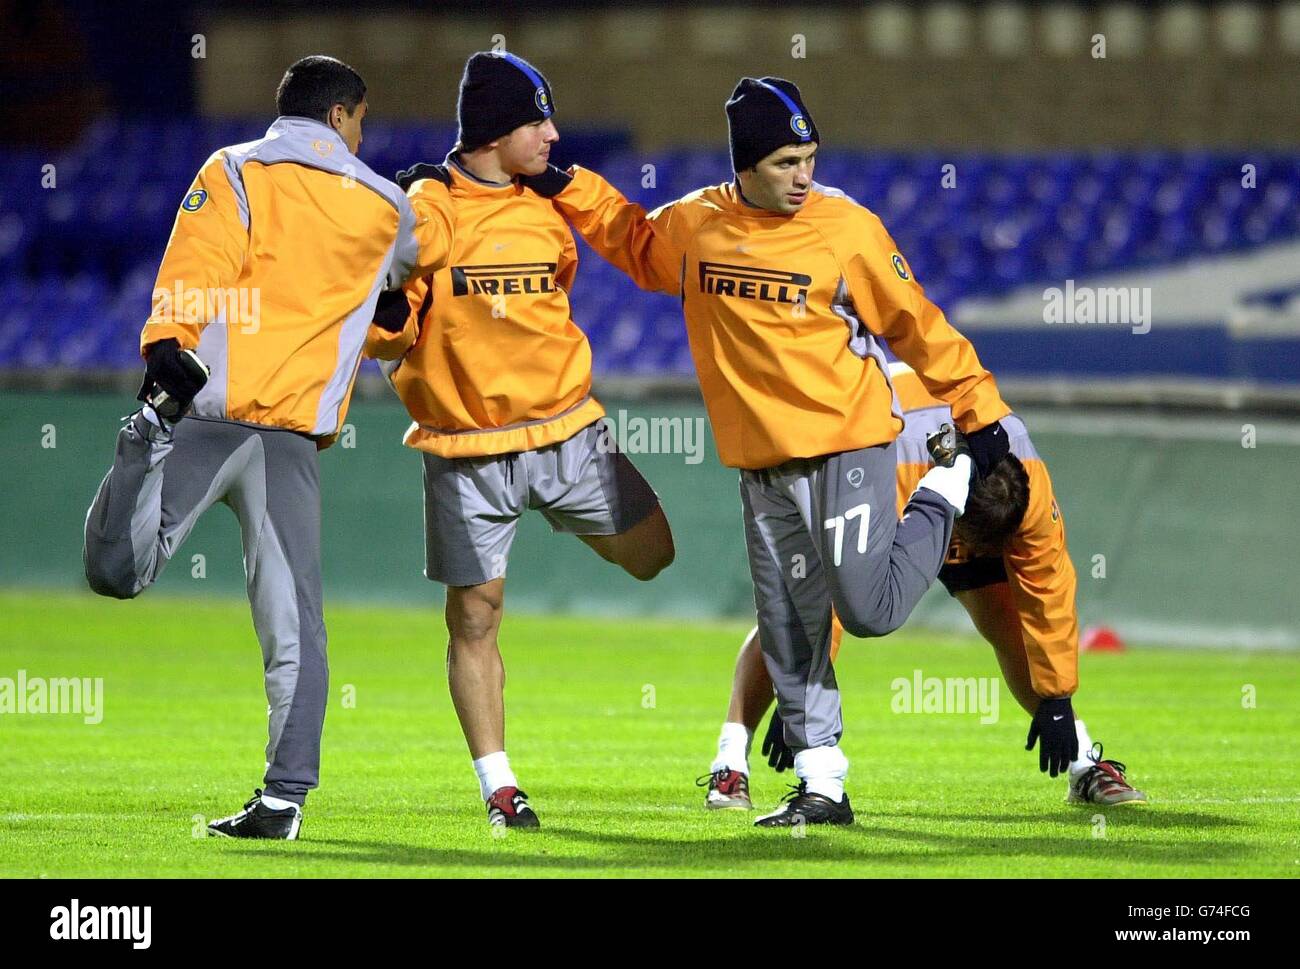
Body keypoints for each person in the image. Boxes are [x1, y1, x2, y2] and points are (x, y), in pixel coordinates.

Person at [526, 77, 1013, 826]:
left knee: (870, 607)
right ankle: (825, 785)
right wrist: (563, 181)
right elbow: (628, 237)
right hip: (760, 464)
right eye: (786, 161)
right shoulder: (696, 225)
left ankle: (944, 483)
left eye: (809, 158)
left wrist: (979, 415)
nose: (803, 176)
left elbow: (917, 324)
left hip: (848, 444)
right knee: (790, 624)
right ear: (745, 165)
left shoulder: (847, 228)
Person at [82, 55, 456, 840]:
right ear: (341, 116)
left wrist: (165, 348)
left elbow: (195, 271)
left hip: (207, 416)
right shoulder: (387, 206)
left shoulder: (234, 170)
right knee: (296, 626)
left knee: (119, 571)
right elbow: (393, 328)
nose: (361, 132)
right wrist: (414, 254)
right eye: (360, 120)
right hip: (288, 443)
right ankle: (283, 801)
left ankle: (144, 431)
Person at [365, 51, 675, 829]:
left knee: (654, 553)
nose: (553, 132)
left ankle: (552, 513)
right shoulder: (428, 208)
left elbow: (561, 293)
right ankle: (501, 785)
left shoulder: (548, 207)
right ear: (497, 130)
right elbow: (385, 328)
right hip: (467, 450)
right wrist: (394, 311)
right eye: (537, 119)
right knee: (475, 619)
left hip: (569, 434)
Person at [700, 362, 1146, 811]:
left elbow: (1048, 594)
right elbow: (828, 597)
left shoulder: (1026, 484)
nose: (959, 552)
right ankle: (731, 761)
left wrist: (1057, 697)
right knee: (797, 612)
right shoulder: (888, 460)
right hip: (870, 455)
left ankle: (1084, 764)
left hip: (938, 472)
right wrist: (797, 695)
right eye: (961, 541)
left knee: (1009, 623)